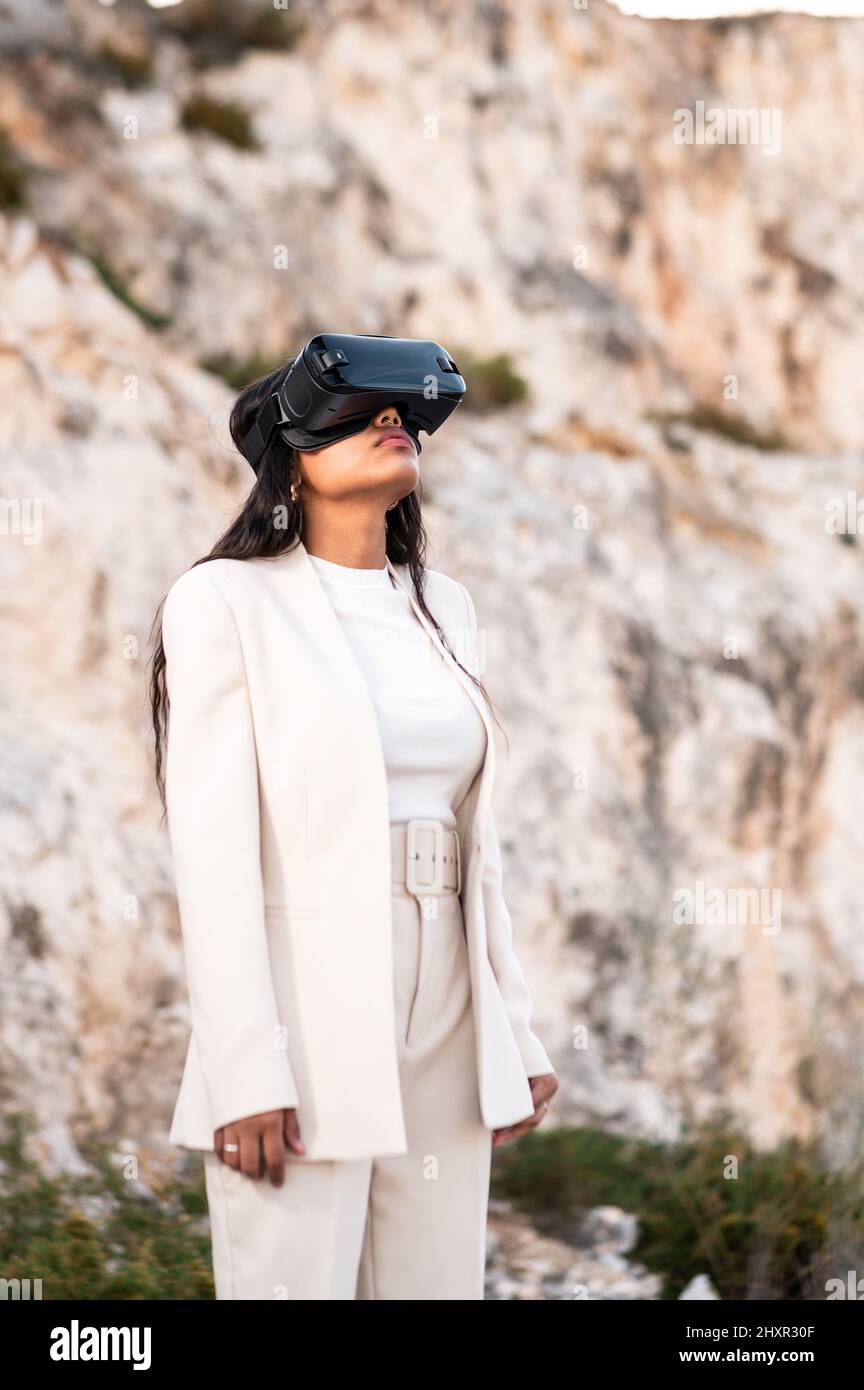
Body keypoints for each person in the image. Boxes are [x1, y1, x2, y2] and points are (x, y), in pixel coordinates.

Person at [148, 356, 558, 1300]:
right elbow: (213, 855)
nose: (392, 422)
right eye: (360, 415)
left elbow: (475, 845)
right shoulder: (223, 601)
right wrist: (243, 1066)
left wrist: (516, 1030)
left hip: (447, 992)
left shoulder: (441, 603)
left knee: (434, 1287)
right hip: (306, 1000)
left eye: (399, 413)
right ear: (291, 462)